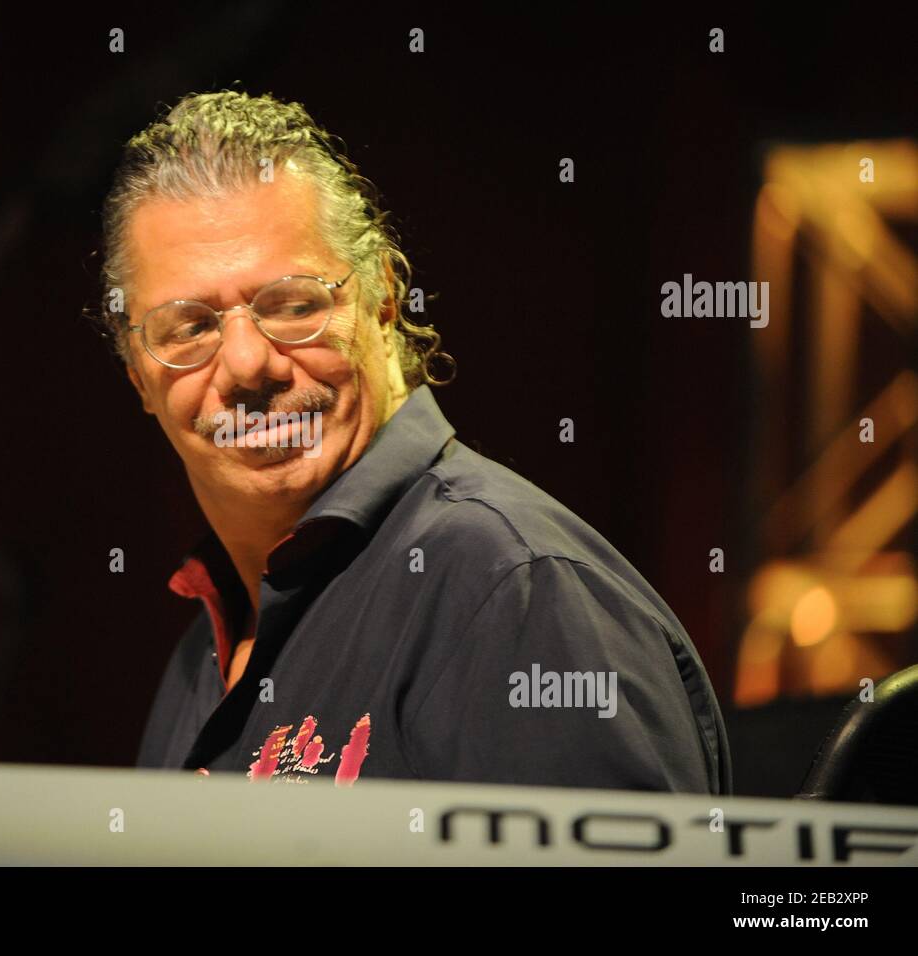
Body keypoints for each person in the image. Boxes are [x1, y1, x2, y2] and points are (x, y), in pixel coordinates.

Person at [97, 90, 731, 793]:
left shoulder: (515, 591)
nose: (249, 365)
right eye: (189, 327)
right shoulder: (199, 656)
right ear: (139, 379)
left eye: (295, 304)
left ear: (384, 302)